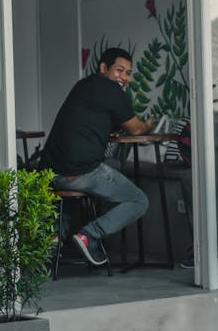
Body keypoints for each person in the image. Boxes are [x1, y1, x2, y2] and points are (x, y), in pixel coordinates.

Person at [39, 47, 155, 266]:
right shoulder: (111, 90)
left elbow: (90, 119)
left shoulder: (83, 86)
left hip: (51, 171)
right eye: (119, 70)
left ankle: (53, 239)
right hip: (79, 172)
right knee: (139, 200)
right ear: (103, 68)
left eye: (128, 73)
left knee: (70, 198)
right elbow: (137, 130)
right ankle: (89, 235)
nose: (124, 77)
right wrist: (149, 124)